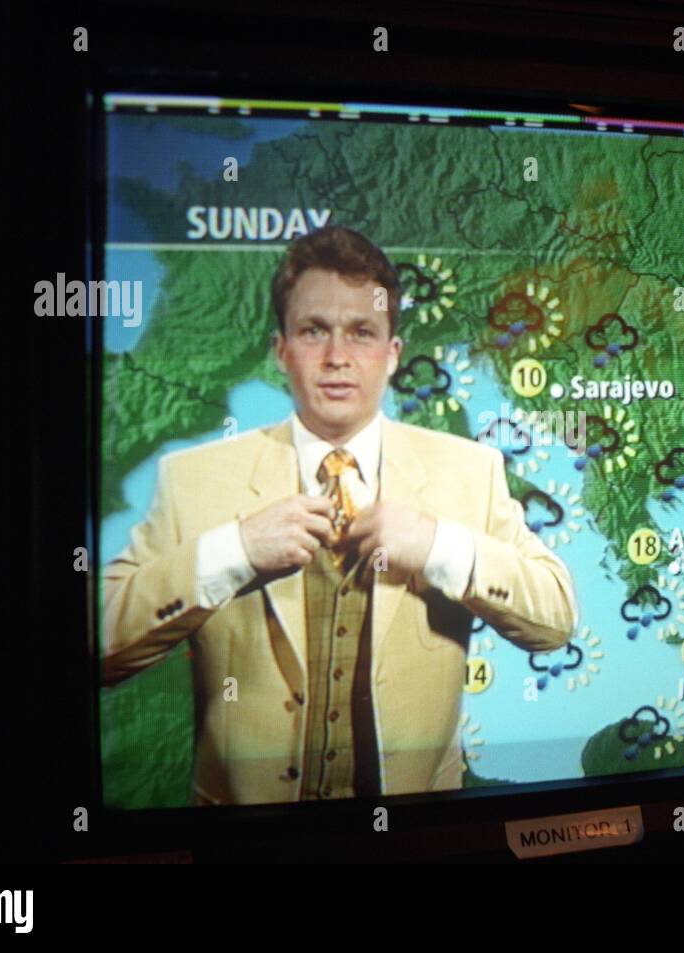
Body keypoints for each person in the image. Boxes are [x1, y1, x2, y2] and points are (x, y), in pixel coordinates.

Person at [102, 226, 578, 805]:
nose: (337, 358)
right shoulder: (193, 478)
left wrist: (438, 546)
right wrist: (235, 552)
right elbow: (102, 646)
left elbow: (555, 622)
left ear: (392, 353)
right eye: (313, 331)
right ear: (281, 350)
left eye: (362, 333)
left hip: (419, 837)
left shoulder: (469, 470)